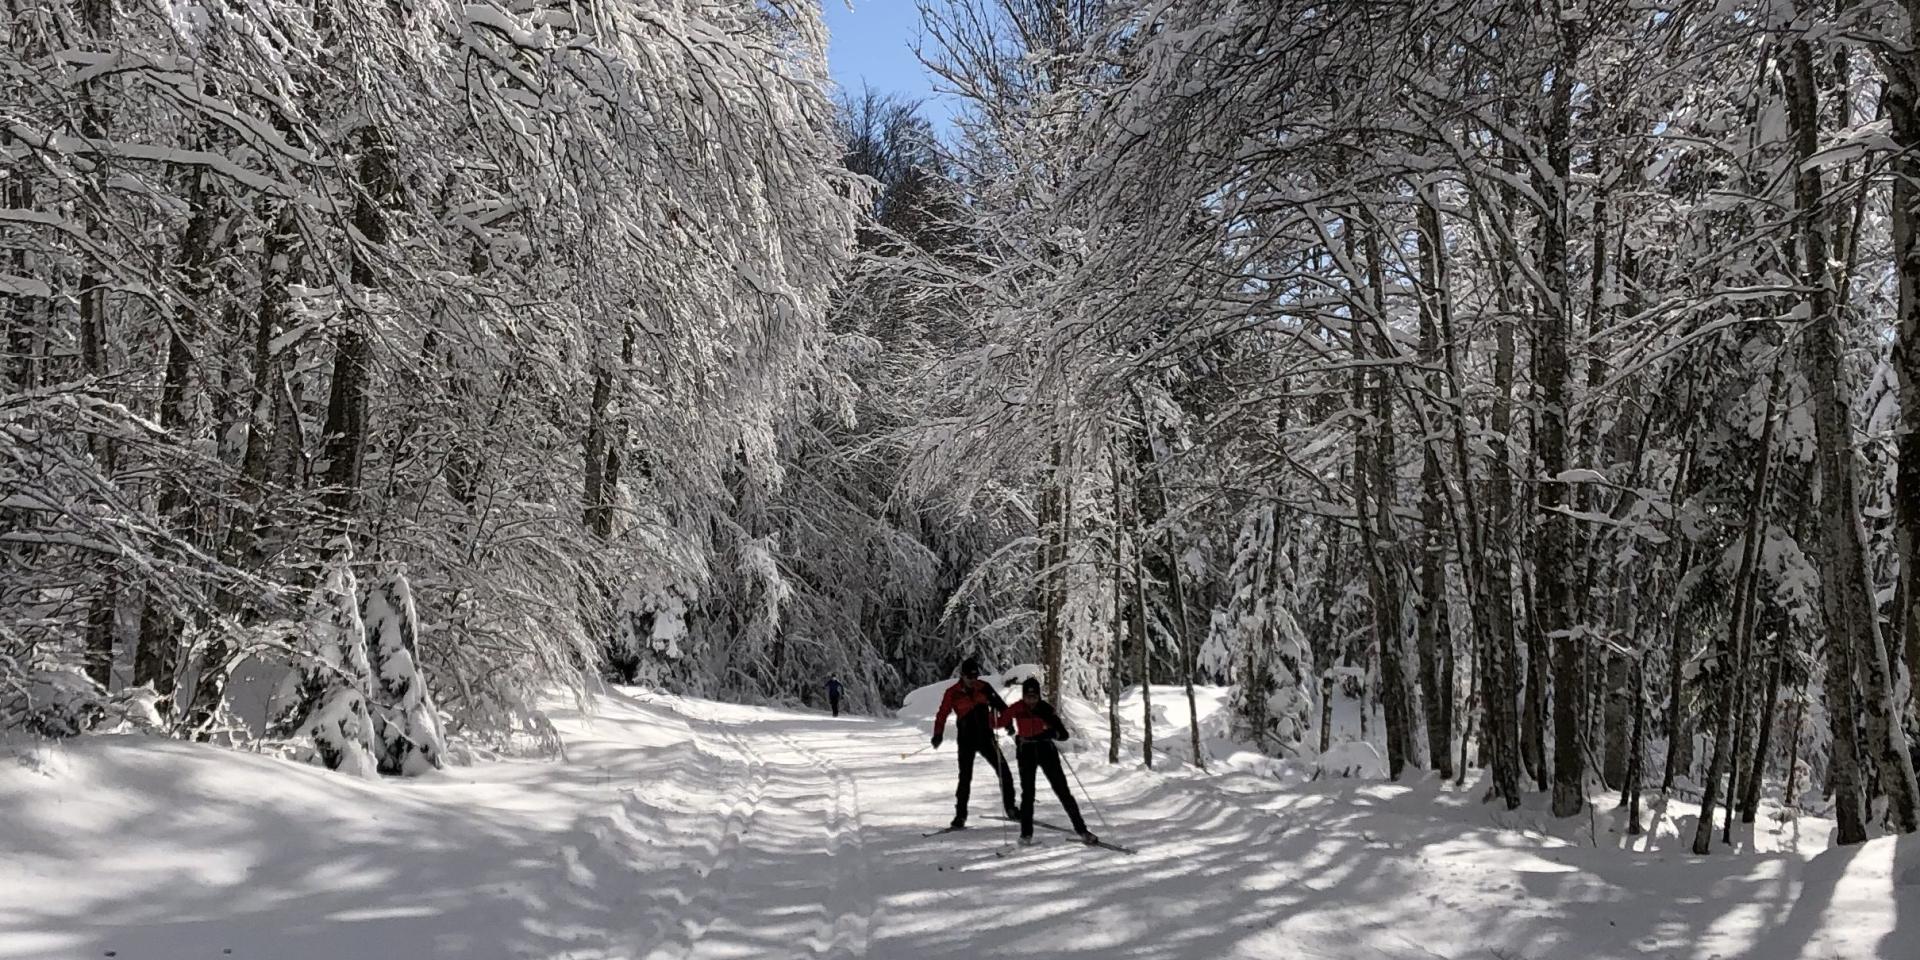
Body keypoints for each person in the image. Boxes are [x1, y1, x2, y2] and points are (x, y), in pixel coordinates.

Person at [999, 676, 1095, 845]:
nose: (1031, 701)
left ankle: (1082, 830)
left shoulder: (1045, 709)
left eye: (1034, 697)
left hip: (1046, 751)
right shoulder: (1017, 708)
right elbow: (999, 721)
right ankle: (1026, 835)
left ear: (1039, 696)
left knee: (1063, 791)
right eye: (1028, 697)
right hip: (1026, 751)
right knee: (1027, 794)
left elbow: (1063, 734)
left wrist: (1047, 733)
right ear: (1023, 696)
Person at [931, 657, 1018, 828]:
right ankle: (960, 816)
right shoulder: (953, 692)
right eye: (970, 677)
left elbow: (1001, 706)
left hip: (986, 737)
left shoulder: (984, 687)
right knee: (965, 778)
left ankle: (1011, 808)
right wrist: (938, 734)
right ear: (962, 675)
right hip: (966, 740)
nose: (973, 680)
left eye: (975, 676)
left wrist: (1008, 723)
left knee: (1004, 772)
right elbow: (942, 714)